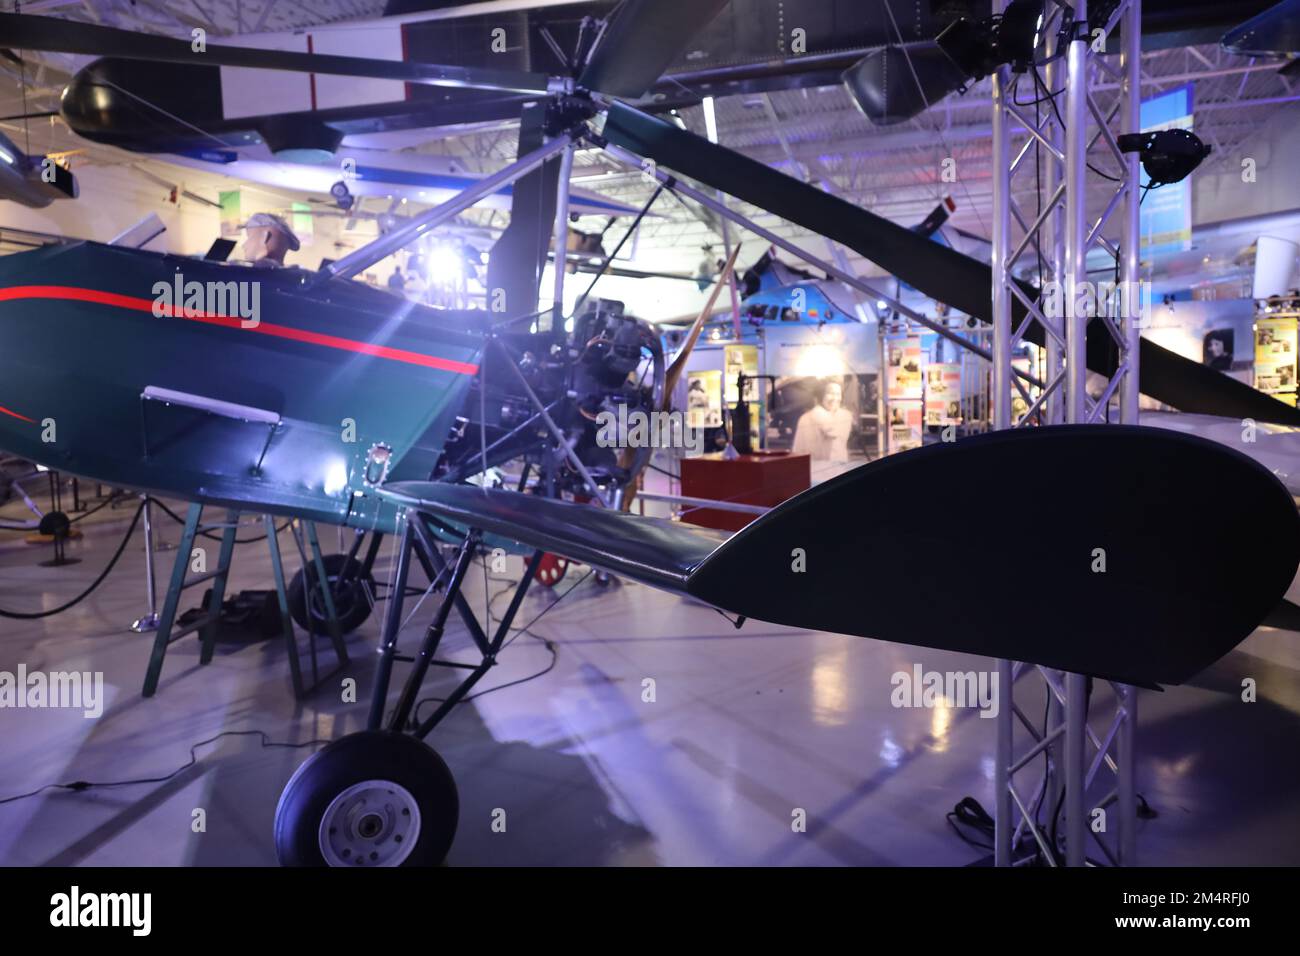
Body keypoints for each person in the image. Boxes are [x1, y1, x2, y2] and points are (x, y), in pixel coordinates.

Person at [792, 379, 854, 462]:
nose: (835, 398)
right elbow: (799, 448)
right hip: (815, 466)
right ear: (821, 395)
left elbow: (833, 432)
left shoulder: (845, 416)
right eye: (830, 393)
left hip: (840, 465)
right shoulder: (805, 418)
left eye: (838, 394)